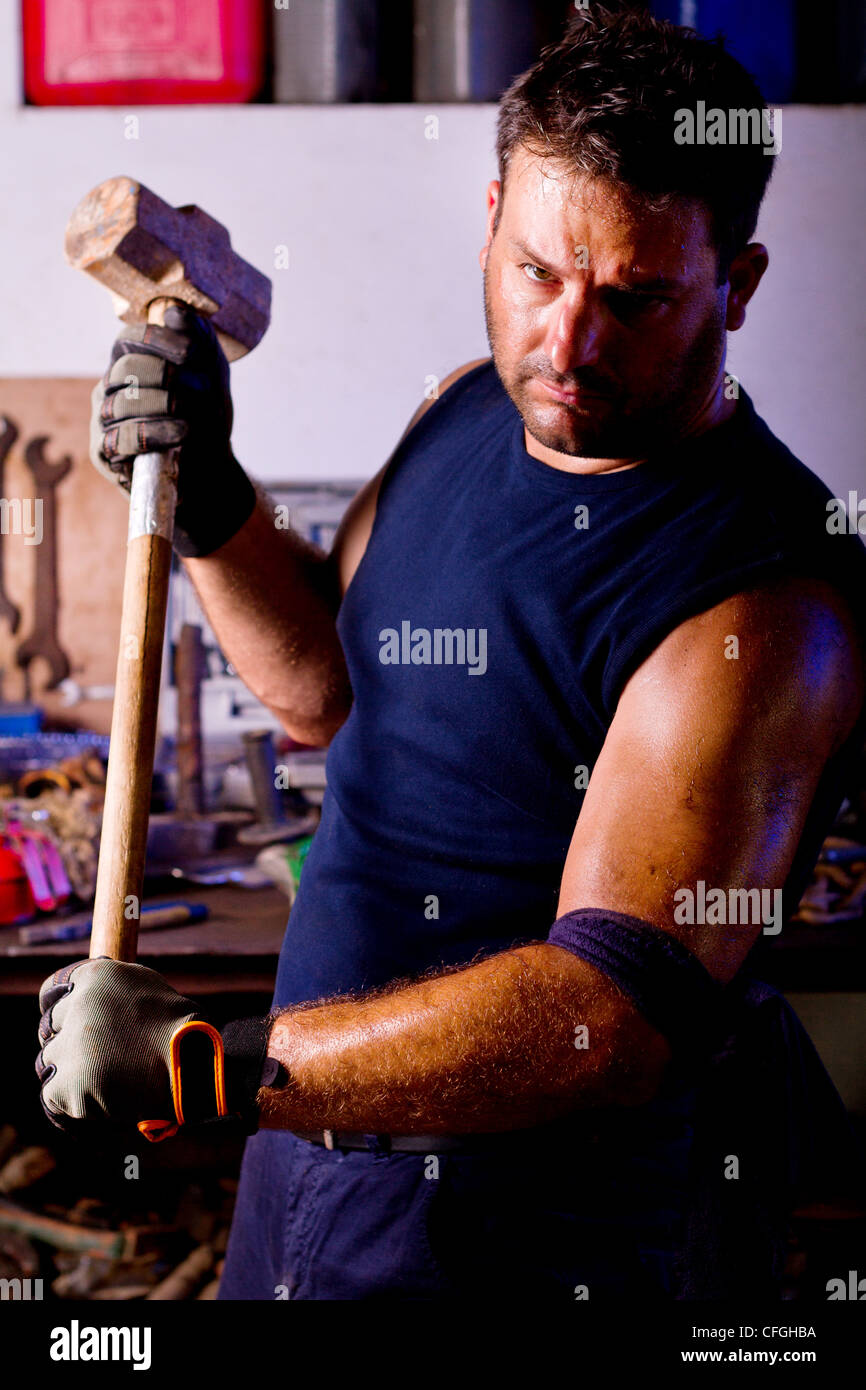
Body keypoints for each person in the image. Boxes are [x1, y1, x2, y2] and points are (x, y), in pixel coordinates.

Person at [37, 7, 866, 1300]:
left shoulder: (760, 605)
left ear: (736, 284)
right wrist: (210, 499)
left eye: (635, 297)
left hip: (526, 1241)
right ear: (490, 218)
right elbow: (322, 685)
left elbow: (613, 1013)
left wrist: (220, 1060)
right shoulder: (463, 409)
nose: (569, 345)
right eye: (538, 272)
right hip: (309, 1168)